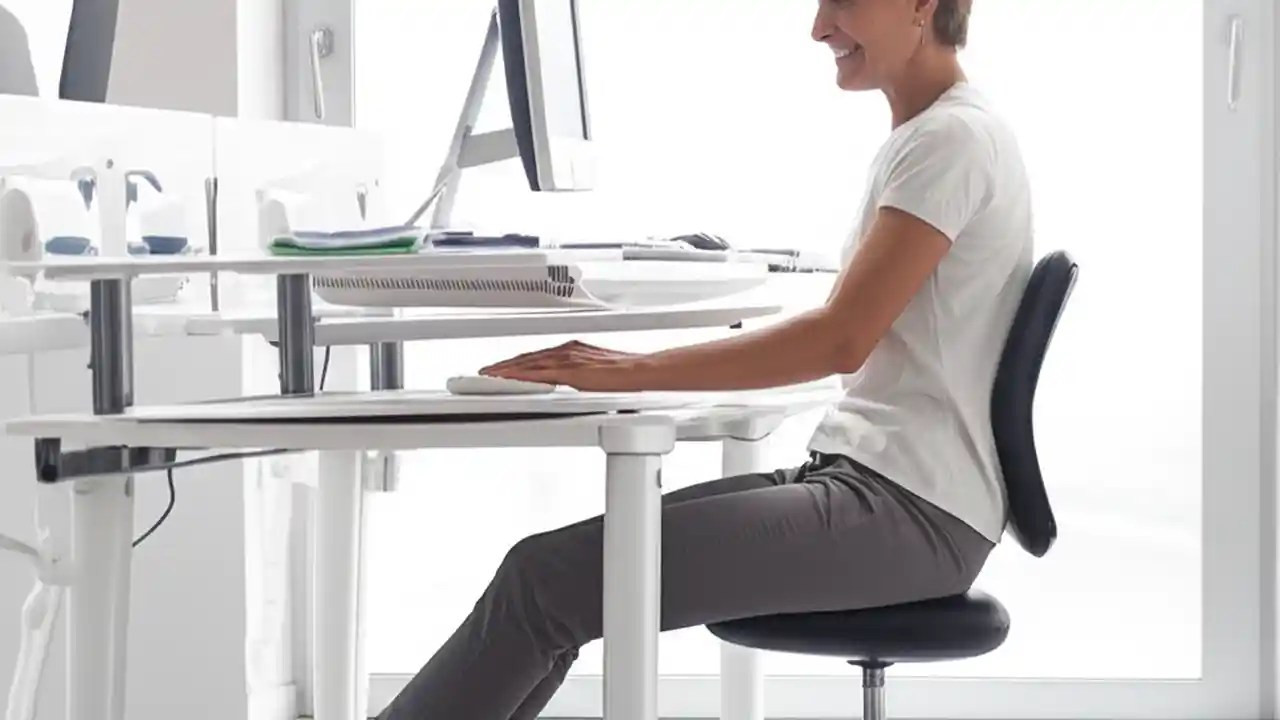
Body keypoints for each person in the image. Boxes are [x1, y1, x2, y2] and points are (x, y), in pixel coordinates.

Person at [378, 0, 1031, 717]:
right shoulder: (934, 134)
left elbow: (841, 338)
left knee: (547, 583)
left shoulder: (952, 141)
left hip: (910, 514)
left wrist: (636, 371)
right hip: (877, 486)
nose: (819, 27)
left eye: (842, 2)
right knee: (546, 579)